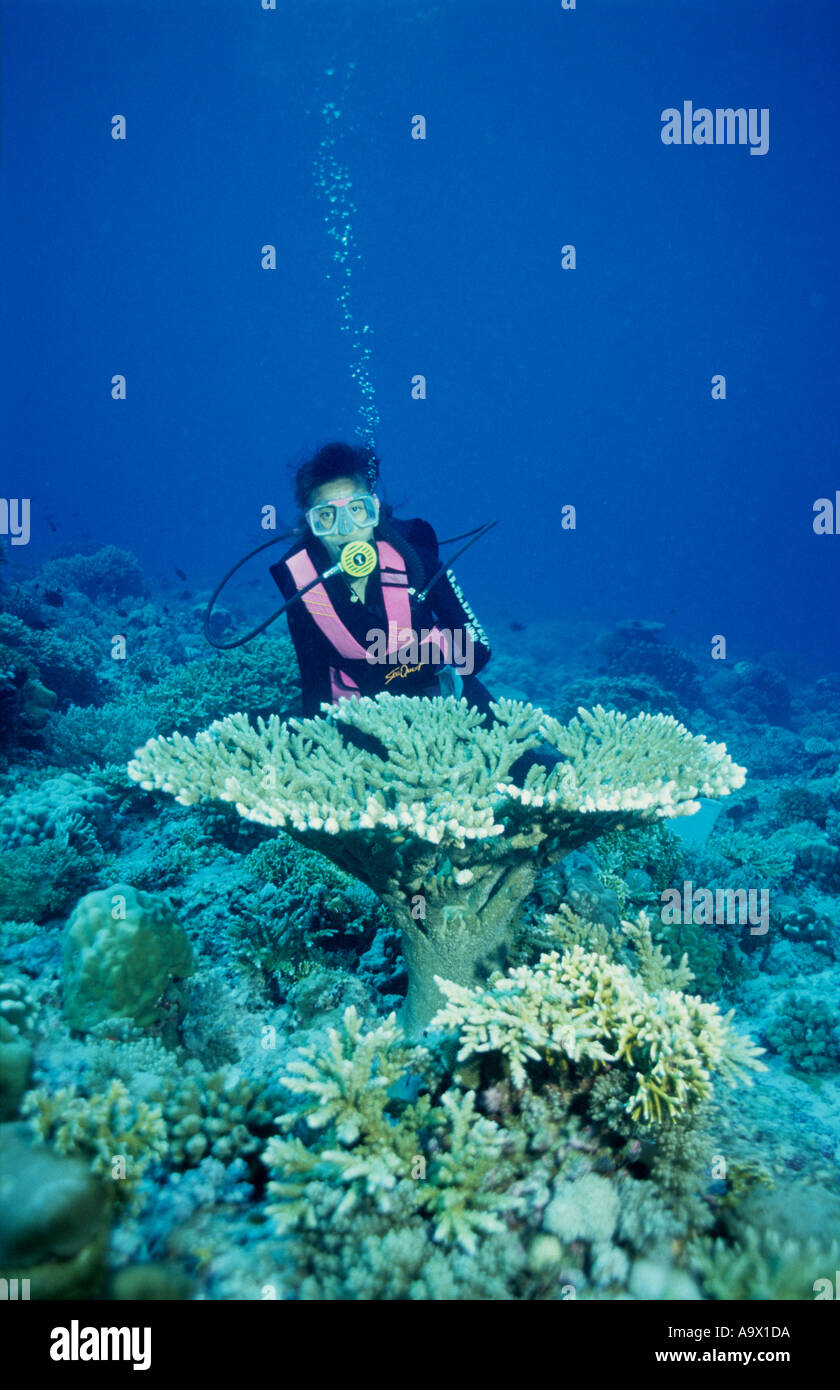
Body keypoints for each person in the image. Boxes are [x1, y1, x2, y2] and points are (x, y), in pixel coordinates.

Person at [270, 441, 561, 780]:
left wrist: (401, 667)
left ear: (374, 508)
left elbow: (478, 648)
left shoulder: (416, 559)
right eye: (326, 517)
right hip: (367, 720)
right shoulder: (302, 584)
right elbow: (314, 680)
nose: (346, 529)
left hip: (447, 698)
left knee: (531, 776)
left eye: (357, 510)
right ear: (310, 525)